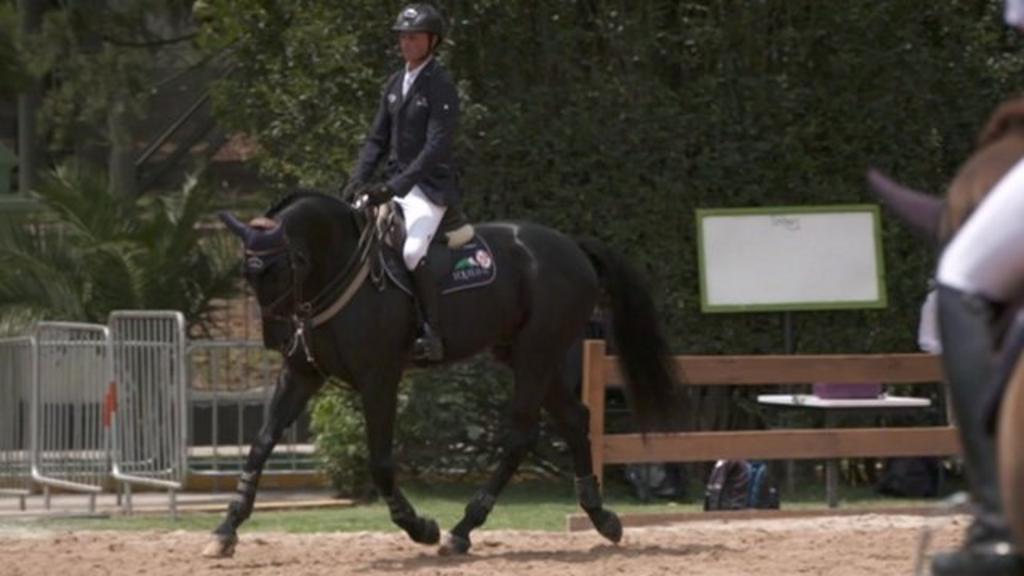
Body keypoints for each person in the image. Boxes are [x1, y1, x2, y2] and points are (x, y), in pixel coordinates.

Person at [343, 3, 461, 362]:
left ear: (432, 41)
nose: (406, 43)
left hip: (428, 188)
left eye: (414, 37)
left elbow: (436, 146)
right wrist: (358, 179)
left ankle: (432, 333)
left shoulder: (439, 84)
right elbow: (377, 139)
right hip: (393, 182)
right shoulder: (396, 83)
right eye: (403, 37)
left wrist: (395, 187)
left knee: (411, 251)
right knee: (353, 233)